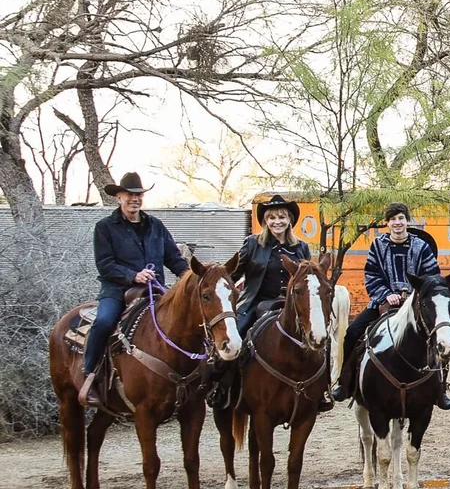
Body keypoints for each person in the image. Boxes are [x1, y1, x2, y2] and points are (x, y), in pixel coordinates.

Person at [78, 172, 191, 407]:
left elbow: (173, 258)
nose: (135, 199)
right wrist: (133, 275)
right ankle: (90, 375)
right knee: (103, 322)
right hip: (118, 290)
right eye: (129, 195)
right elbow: (105, 264)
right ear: (119, 197)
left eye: (138, 195)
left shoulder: (156, 226)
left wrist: (191, 276)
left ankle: (192, 378)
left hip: (155, 291)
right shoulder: (105, 227)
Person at [330, 202, 450, 409]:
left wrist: (414, 295)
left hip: (414, 304)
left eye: (401, 218)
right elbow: (371, 274)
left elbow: (432, 278)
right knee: (352, 333)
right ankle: (346, 382)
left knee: (437, 337)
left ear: (407, 220)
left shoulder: (421, 246)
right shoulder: (378, 246)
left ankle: (440, 389)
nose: (397, 223)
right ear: (387, 223)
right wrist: (386, 295)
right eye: (393, 219)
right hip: (383, 302)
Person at [207, 195, 325, 411]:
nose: (276, 222)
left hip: (292, 306)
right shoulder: (253, 244)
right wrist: (223, 292)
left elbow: (308, 280)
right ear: (265, 222)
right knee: (234, 341)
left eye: (281, 217)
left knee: (317, 339)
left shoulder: (300, 247)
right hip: (257, 303)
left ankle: (320, 391)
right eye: (271, 218)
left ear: (289, 220)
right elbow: (233, 274)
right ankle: (221, 387)